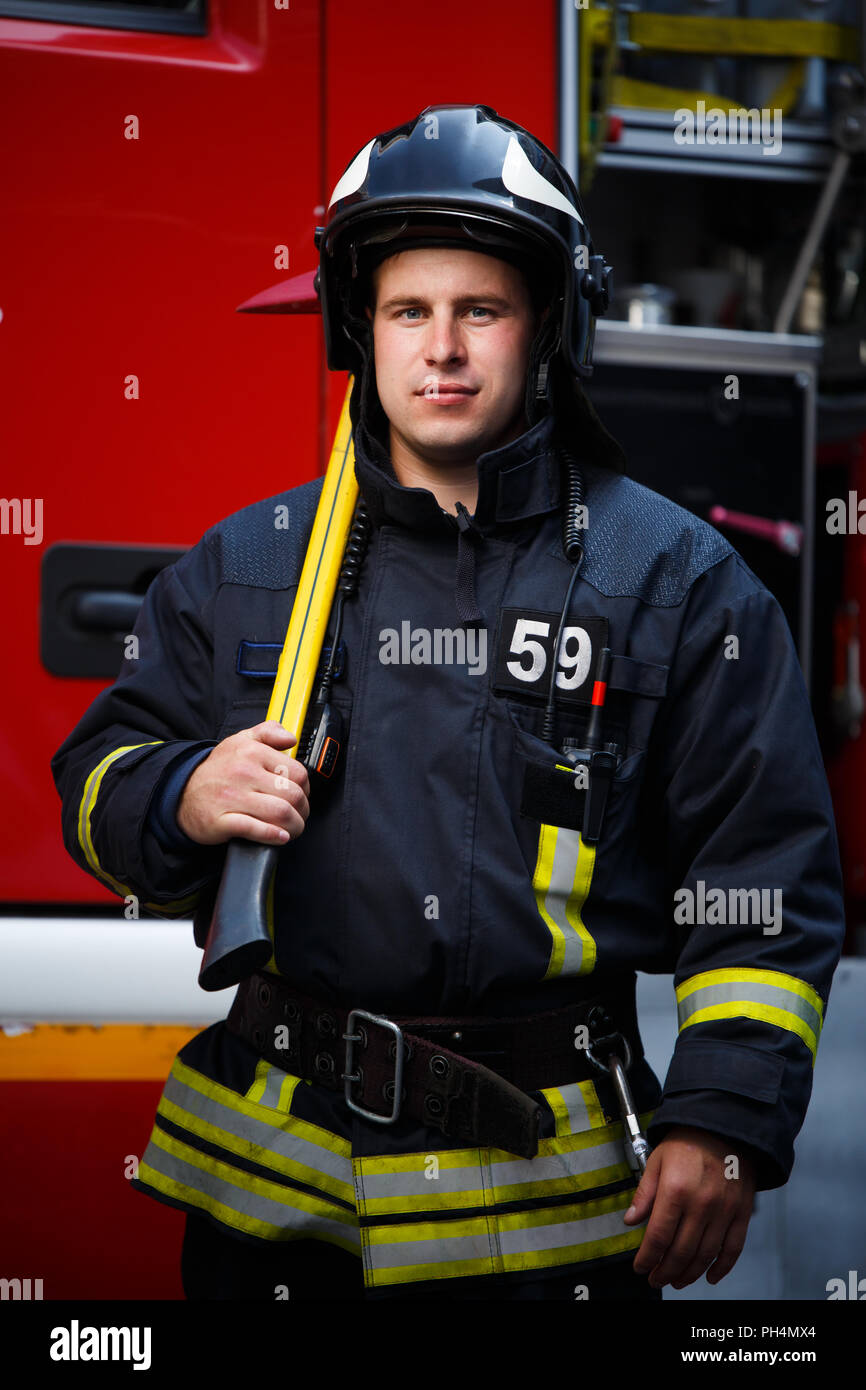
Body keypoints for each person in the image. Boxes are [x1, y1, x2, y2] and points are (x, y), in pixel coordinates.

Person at [52, 103, 845, 1302]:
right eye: (407, 312)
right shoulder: (247, 563)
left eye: (481, 310)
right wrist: (182, 791)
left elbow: (763, 884)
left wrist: (722, 1112)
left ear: (544, 333)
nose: (442, 349)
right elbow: (96, 782)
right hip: (269, 1204)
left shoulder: (671, 583)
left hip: (548, 1224)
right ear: (356, 333)